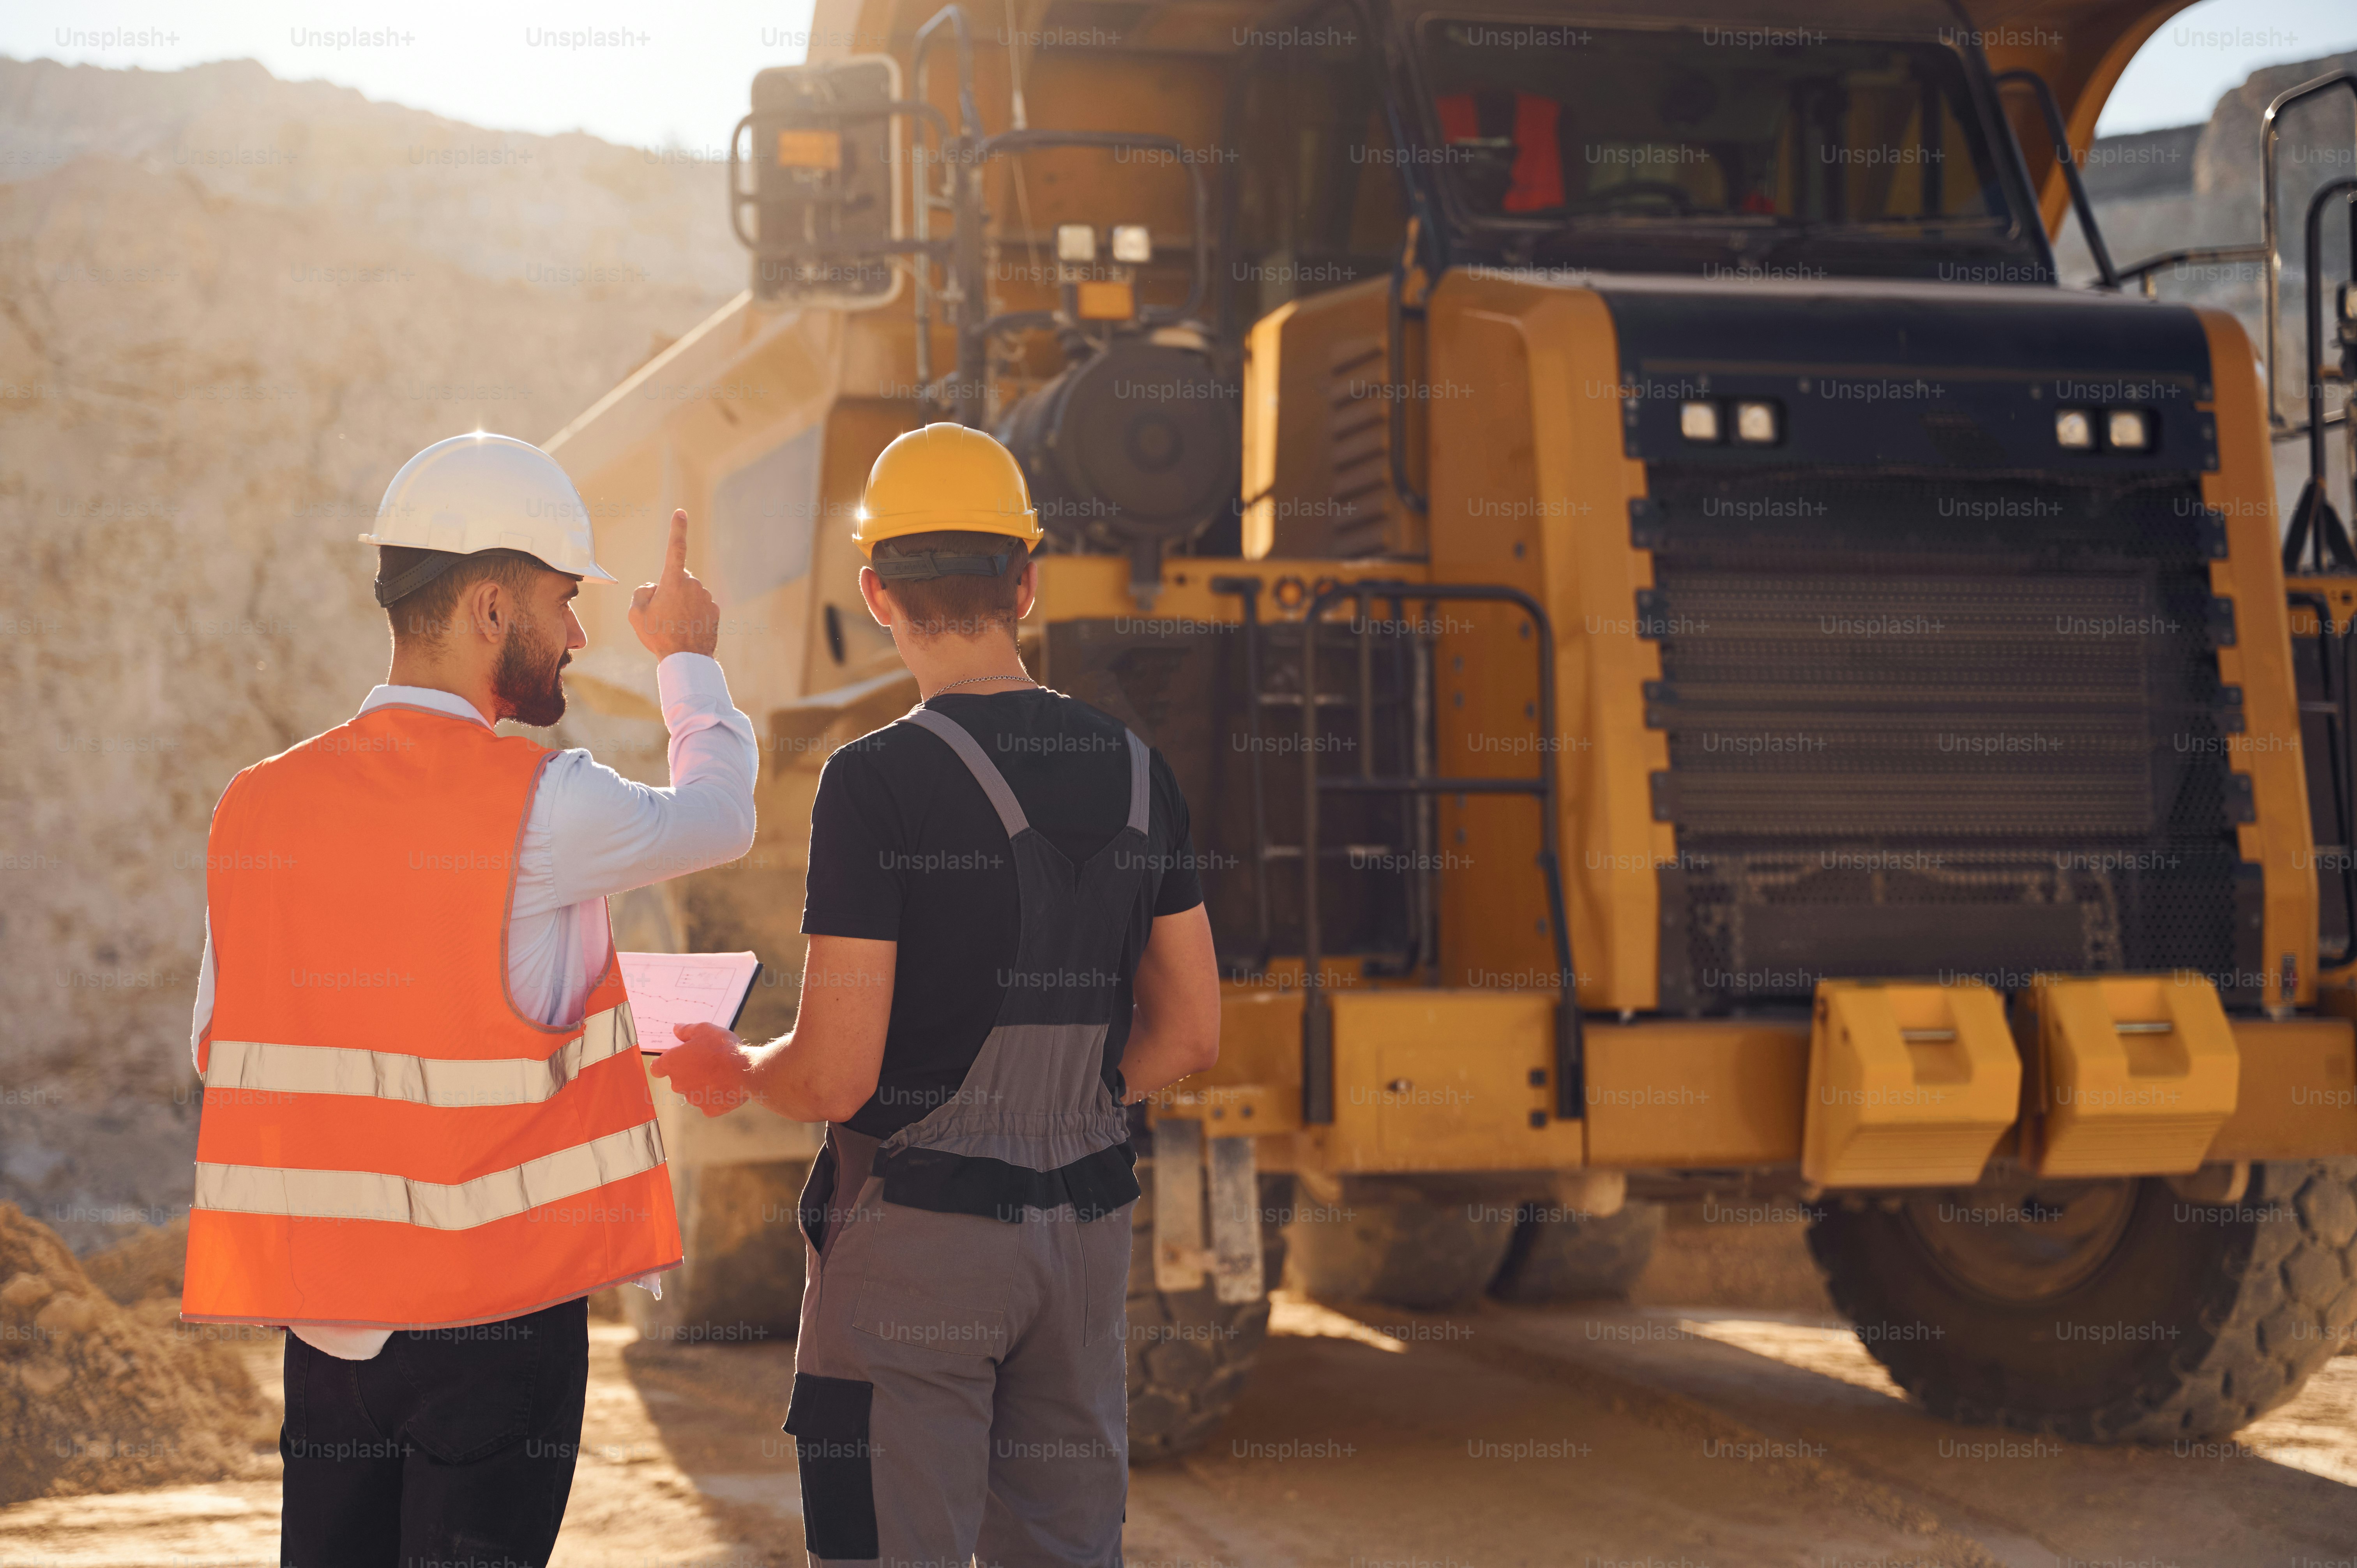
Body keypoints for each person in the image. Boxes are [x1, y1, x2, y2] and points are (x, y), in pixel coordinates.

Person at [179, 432, 757, 1566]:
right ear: (492, 608)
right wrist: (687, 660)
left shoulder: (255, 805)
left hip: (329, 1332)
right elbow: (723, 818)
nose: (582, 634)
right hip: (498, 1328)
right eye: (565, 601)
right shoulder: (549, 800)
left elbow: (222, 1048)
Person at [653, 422, 1222, 1566]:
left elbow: (838, 1075)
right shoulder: (1135, 768)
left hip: (919, 1244)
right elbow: (1195, 1035)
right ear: (1026, 580)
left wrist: (734, 1070)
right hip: (1085, 1236)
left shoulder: (876, 784)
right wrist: (1067, 1108)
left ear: (874, 591)